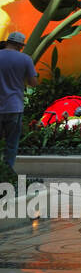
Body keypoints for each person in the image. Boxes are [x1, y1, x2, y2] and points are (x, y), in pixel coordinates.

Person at [0, 30, 38, 174]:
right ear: (20, 45)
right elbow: (33, 82)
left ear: (8, 42)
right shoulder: (25, 59)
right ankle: (7, 172)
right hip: (14, 107)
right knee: (11, 143)